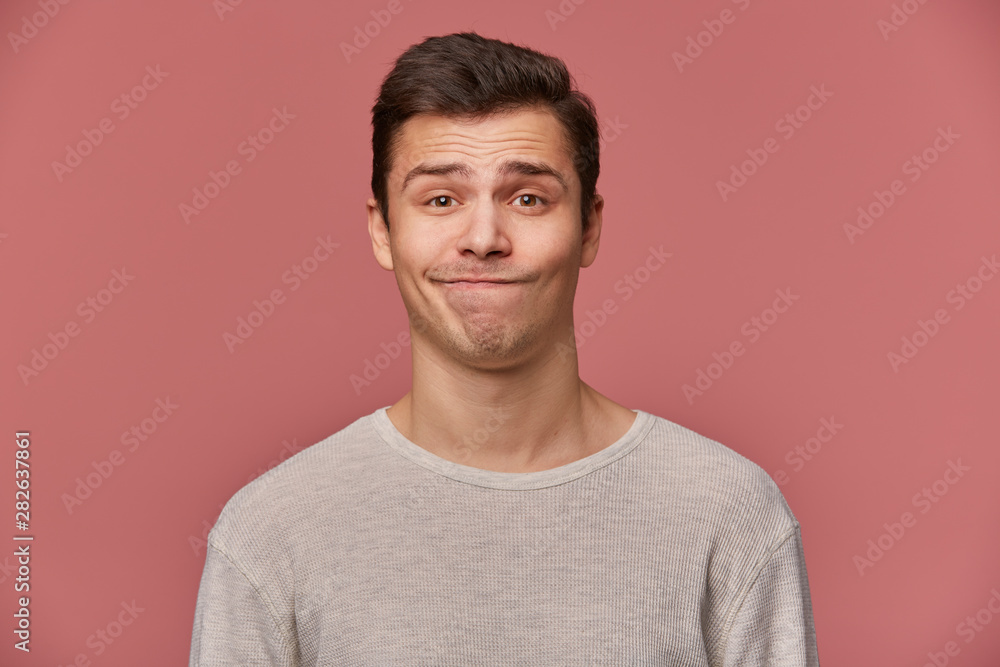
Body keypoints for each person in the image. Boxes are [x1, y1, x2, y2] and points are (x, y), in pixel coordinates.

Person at [190, 31, 820, 666]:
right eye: (441, 199)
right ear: (383, 229)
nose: (485, 238)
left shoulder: (727, 515)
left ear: (589, 227)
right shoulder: (272, 532)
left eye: (527, 198)